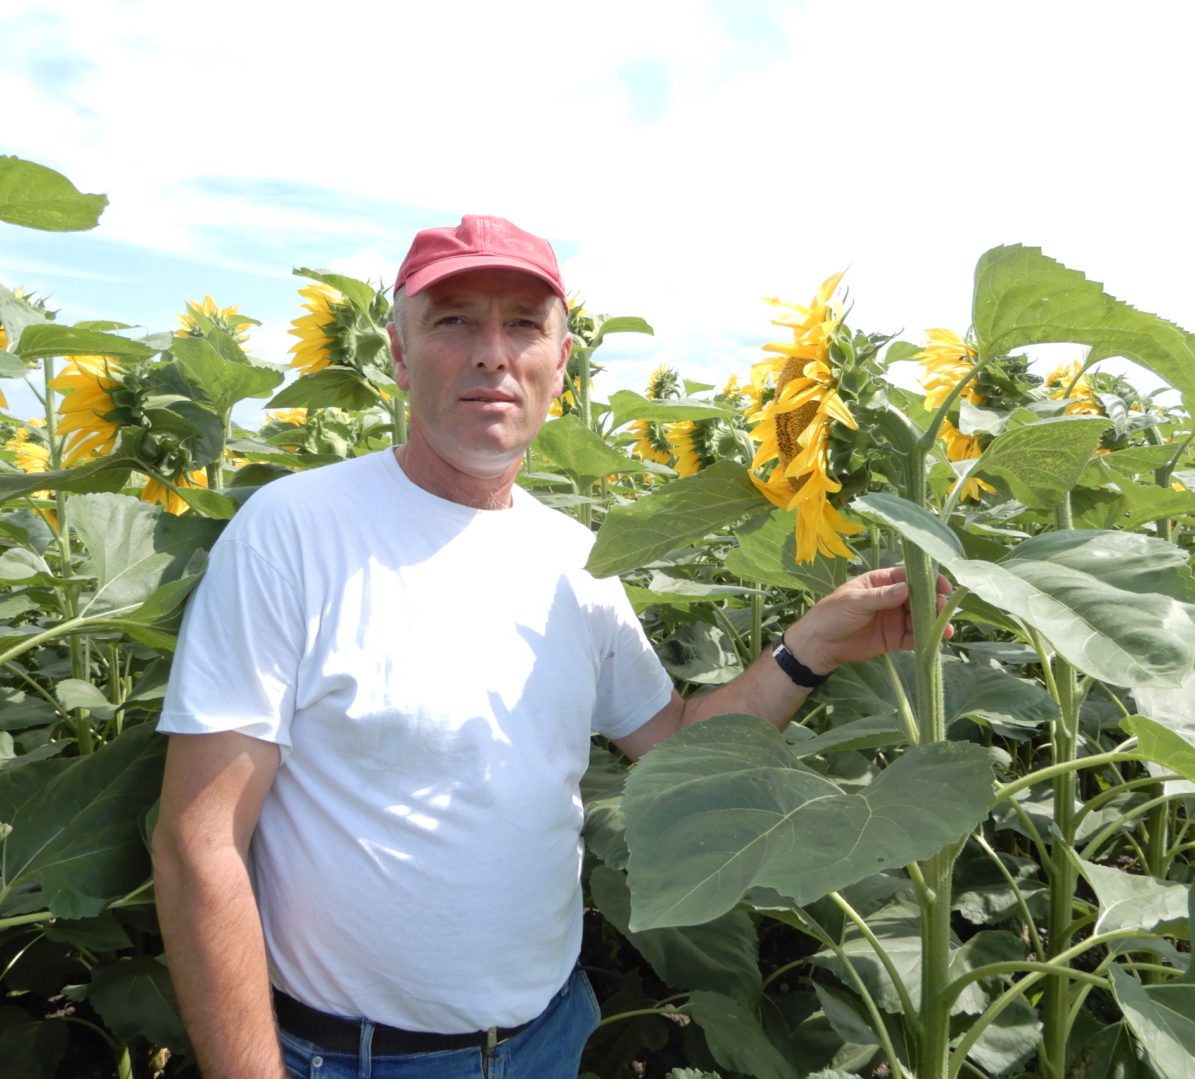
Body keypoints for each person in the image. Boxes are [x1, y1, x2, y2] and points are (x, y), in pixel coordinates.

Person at [152, 215, 948, 1079]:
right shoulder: (294, 529)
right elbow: (199, 839)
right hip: (352, 1058)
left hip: (550, 1039)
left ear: (559, 364)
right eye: (454, 320)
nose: (493, 353)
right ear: (396, 352)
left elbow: (676, 743)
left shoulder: (577, 558)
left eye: (524, 325)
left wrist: (809, 648)